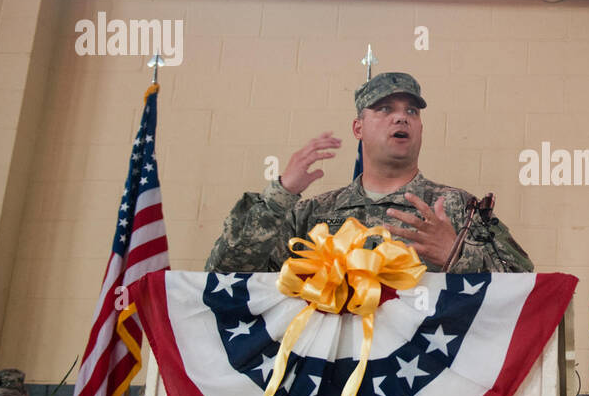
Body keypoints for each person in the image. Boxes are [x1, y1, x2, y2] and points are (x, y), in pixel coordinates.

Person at [206, 72, 532, 274]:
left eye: (411, 111)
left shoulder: (455, 208)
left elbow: (525, 286)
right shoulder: (312, 215)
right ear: (357, 127)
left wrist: (457, 254)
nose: (401, 118)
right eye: (385, 109)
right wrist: (279, 196)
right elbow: (224, 274)